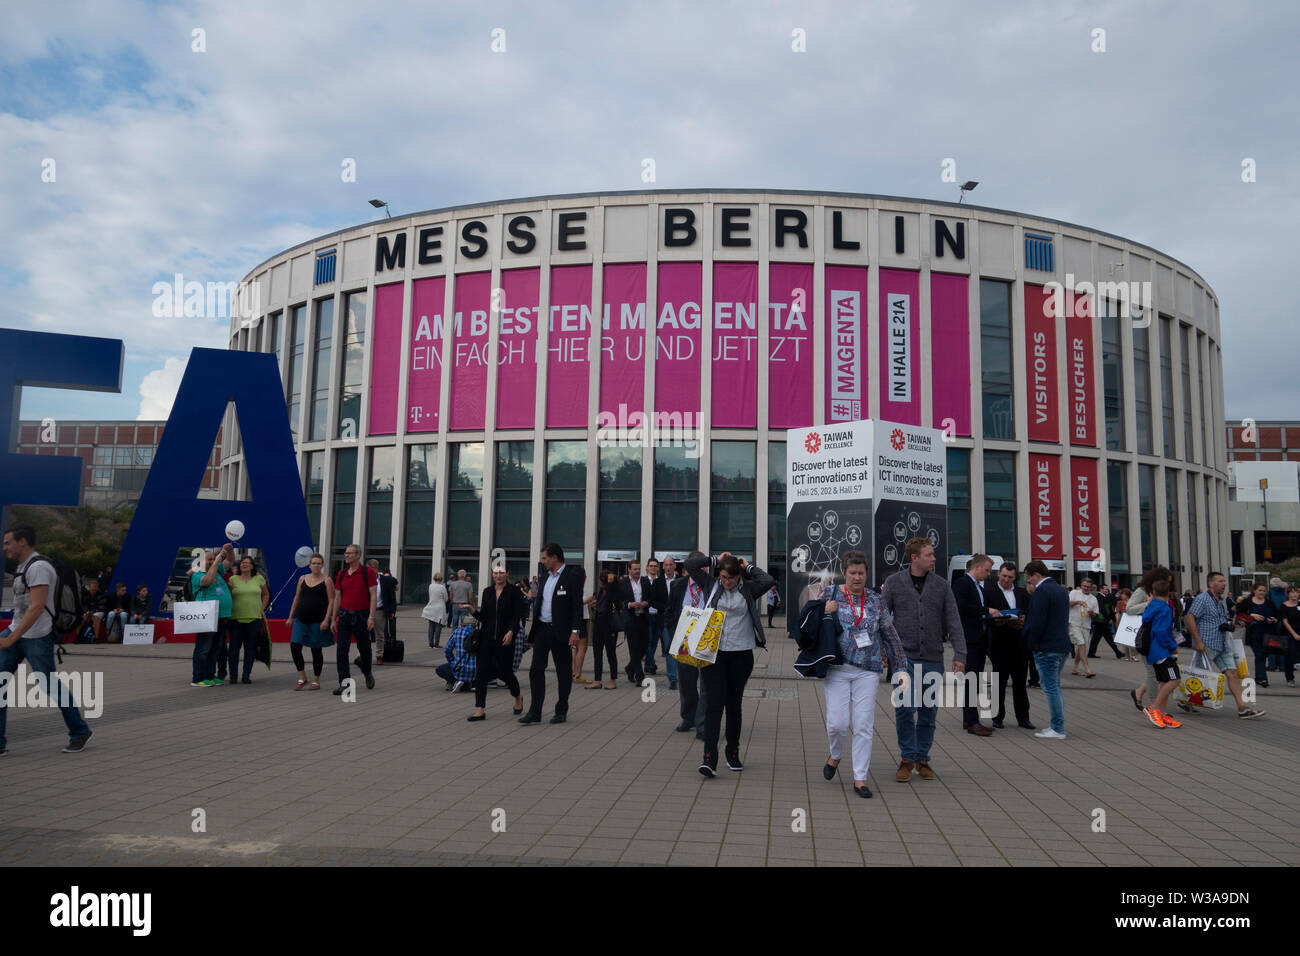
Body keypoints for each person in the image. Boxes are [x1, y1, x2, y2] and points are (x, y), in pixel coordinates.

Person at [809, 550, 908, 798]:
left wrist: (901, 668)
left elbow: (890, 636)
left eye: (861, 573)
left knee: (863, 725)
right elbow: (809, 624)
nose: (856, 577)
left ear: (866, 574)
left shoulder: (875, 600)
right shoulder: (830, 594)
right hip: (837, 669)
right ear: (844, 573)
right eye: (852, 573)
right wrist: (825, 611)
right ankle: (836, 755)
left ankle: (860, 778)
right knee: (837, 724)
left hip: (868, 669)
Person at [0, 524, 93, 754]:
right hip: (18, 630)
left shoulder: (39, 567)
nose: (5, 548)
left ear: (22, 542)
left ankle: (80, 731)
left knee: (49, 684)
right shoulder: (24, 566)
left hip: (37, 636)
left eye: (7, 542)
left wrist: (11, 638)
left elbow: (37, 607)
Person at [881, 538, 965, 782]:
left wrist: (960, 654)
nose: (934, 558)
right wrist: (884, 651)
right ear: (914, 557)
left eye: (933, 554)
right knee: (905, 709)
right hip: (903, 658)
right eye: (928, 554)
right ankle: (907, 758)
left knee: (928, 712)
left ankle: (922, 758)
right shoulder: (894, 583)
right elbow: (883, 620)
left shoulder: (941, 586)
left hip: (932, 658)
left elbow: (954, 621)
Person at [684, 552, 772, 776]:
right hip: (713, 654)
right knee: (714, 705)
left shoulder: (748, 589)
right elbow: (690, 565)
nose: (726, 582)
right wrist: (715, 559)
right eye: (723, 577)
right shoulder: (711, 585)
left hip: (741, 654)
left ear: (738, 577)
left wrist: (748, 566)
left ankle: (732, 752)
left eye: (730, 578)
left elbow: (769, 581)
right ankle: (708, 758)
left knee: (734, 706)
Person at [519, 543, 584, 725]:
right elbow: (540, 603)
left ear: (555, 557)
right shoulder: (545, 576)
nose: (543, 561)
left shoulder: (571, 576)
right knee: (536, 670)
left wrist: (575, 631)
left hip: (562, 632)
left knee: (563, 671)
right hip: (542, 629)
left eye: (545, 558)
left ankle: (561, 709)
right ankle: (535, 711)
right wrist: (533, 634)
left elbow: (577, 606)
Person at [1184, 572, 1264, 719]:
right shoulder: (1203, 599)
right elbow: (1189, 617)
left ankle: (1242, 708)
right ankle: (1186, 700)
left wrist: (1233, 624)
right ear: (1211, 583)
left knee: (1232, 673)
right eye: (1220, 581)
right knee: (1199, 675)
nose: (1224, 584)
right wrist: (1198, 641)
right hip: (1207, 643)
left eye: (1224, 581)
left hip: (1222, 643)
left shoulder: (1220, 600)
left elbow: (1219, 620)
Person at [468, 566, 526, 721]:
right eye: (495, 573)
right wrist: (472, 610)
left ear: (507, 573)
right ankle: (480, 709)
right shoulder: (487, 592)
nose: (498, 575)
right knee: (481, 673)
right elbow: (484, 618)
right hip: (486, 639)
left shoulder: (513, 592)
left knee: (506, 672)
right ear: (492, 574)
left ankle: (518, 697)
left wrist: (511, 631)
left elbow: (518, 615)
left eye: (501, 573)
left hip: (505, 639)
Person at [1022, 561, 1070, 739]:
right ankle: (1057, 726)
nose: (1028, 581)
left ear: (1036, 574)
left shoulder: (1042, 591)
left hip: (1046, 646)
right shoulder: (1060, 590)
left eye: (1028, 577)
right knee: (1055, 687)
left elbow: (1036, 622)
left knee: (1051, 688)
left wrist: (1031, 644)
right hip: (1061, 645)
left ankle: (1057, 728)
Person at [985, 561, 1034, 729]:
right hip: (1000, 642)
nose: (1006, 580)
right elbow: (985, 617)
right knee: (999, 682)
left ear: (1015, 578)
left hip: (1020, 644)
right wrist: (1000, 622)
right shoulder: (989, 592)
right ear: (999, 574)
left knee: (1020, 683)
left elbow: (1029, 613)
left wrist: (1023, 619)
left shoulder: (1022, 593)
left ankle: (1023, 718)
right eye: (1004, 576)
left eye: (1010, 577)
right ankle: (997, 717)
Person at [951, 554, 995, 736]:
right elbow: (960, 607)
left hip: (979, 637)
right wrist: (985, 611)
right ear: (976, 568)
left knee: (974, 679)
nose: (988, 574)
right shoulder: (963, 584)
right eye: (987, 570)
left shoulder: (978, 587)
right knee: (970, 680)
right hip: (969, 639)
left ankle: (970, 719)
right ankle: (972, 721)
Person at [668, 551, 708, 738]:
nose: (701, 570)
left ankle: (703, 723)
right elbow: (670, 612)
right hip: (684, 640)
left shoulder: (713, 586)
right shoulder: (678, 585)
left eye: (703, 567)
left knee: (707, 683)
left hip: (707, 640)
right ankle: (689, 717)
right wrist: (672, 633)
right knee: (686, 682)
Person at [329, 544, 377, 695]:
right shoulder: (341, 574)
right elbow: (338, 597)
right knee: (341, 651)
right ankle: (345, 684)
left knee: (364, 648)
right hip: (344, 616)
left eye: (350, 553)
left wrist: (371, 617)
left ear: (358, 555)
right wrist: (333, 618)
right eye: (346, 553)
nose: (346, 555)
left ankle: (367, 672)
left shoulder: (367, 572)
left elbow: (373, 595)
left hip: (361, 616)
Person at [1140, 576, 1184, 728]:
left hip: (1153, 650)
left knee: (1164, 681)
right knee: (1175, 680)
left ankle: (1163, 715)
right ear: (1170, 592)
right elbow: (1161, 631)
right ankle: (1154, 708)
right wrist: (1172, 645)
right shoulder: (1164, 608)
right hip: (1162, 650)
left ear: (1153, 591)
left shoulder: (1151, 606)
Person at [1127, 567, 1172, 713]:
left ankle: (1139, 693)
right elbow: (1129, 608)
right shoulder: (1142, 590)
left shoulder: (1162, 591)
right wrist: (1149, 603)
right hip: (1147, 635)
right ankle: (1155, 706)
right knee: (1153, 673)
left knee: (1156, 672)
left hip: (1158, 636)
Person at [287, 553, 334, 690]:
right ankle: (302, 677)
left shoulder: (327, 580)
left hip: (318, 620)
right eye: (314, 563)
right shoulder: (302, 578)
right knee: (295, 646)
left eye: (319, 563)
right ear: (309, 565)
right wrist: (290, 617)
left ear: (322, 565)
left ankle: (316, 680)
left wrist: (327, 619)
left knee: (315, 649)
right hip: (301, 619)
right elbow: (297, 597)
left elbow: (331, 601)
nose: (316, 565)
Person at [189, 549, 233, 686]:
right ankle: (198, 678)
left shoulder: (217, 571)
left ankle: (210, 675)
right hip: (206, 617)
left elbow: (230, 560)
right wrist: (217, 561)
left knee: (215, 648)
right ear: (200, 561)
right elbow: (207, 581)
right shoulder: (197, 574)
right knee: (203, 648)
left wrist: (229, 549)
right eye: (209, 559)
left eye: (212, 559)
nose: (212, 561)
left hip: (220, 617)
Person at [227, 555, 269, 684]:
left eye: (247, 563)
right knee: (234, 649)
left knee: (250, 649)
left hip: (254, 618)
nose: (244, 564)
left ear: (252, 566)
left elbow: (266, 594)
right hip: (235, 619)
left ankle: (246, 675)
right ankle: (233, 676)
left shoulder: (259, 579)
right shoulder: (232, 579)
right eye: (242, 563)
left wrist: (262, 608)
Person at [619, 560, 657, 686]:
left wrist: (646, 603)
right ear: (629, 570)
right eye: (634, 569)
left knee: (644, 646)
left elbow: (652, 597)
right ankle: (640, 676)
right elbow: (619, 601)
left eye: (638, 569)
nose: (637, 571)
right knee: (633, 648)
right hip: (631, 619)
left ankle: (630, 668)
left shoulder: (645, 581)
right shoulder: (623, 583)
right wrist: (629, 604)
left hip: (643, 617)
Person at [585, 571, 621, 690]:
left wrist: (610, 583)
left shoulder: (614, 591)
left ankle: (613, 680)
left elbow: (612, 600)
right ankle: (597, 680)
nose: (600, 584)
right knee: (597, 652)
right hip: (599, 623)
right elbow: (602, 603)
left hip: (609, 625)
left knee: (610, 652)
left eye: (602, 582)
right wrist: (596, 604)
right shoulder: (601, 591)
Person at [1242, 582, 1278, 687]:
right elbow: (1240, 616)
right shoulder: (1248, 602)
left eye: (1264, 591)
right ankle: (1263, 679)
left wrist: (1274, 619)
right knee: (1259, 655)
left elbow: (1277, 615)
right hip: (1254, 633)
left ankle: (1258, 678)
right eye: (1260, 590)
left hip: (1268, 633)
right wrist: (1252, 616)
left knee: (1263, 655)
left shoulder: (1269, 603)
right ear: (1254, 591)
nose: (1262, 592)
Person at [1067, 579, 1098, 677]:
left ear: (1091, 587)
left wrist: (1092, 613)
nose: (1086, 588)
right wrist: (1077, 602)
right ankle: (1087, 669)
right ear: (1081, 585)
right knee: (1081, 644)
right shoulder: (1074, 593)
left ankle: (1075, 667)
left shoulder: (1093, 599)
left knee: (1083, 648)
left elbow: (1096, 614)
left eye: (1088, 587)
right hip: (1073, 623)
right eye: (1084, 586)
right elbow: (1067, 603)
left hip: (1086, 625)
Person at [658, 557, 679, 690]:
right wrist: (665, 608)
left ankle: (683, 675)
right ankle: (673, 678)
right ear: (663, 567)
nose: (669, 567)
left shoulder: (681, 581)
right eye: (666, 565)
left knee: (682, 651)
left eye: (671, 564)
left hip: (681, 621)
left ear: (675, 566)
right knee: (670, 650)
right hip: (666, 622)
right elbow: (653, 600)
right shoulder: (658, 582)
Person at [436, 623, 477, 692]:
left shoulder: (457, 632)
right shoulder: (480, 634)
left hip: (459, 668)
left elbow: (447, 650)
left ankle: (455, 682)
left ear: (462, 625)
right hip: (475, 671)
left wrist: (452, 661)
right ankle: (470, 684)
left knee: (439, 669)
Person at [1088, 583, 1123, 660]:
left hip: (1101, 621)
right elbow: (1103, 610)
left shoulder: (1103, 597)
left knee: (1096, 638)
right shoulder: (1100, 597)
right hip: (1102, 621)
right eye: (1105, 589)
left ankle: (1091, 653)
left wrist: (1111, 617)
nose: (1107, 590)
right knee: (1108, 638)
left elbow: (1108, 608)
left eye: (1107, 589)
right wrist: (1109, 618)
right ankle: (1118, 652)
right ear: (1101, 589)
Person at [643, 558, 663, 676]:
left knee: (655, 642)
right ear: (647, 567)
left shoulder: (660, 582)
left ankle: (648, 665)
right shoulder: (643, 581)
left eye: (655, 566)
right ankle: (650, 664)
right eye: (651, 566)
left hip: (658, 615)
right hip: (647, 615)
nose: (653, 568)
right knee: (649, 642)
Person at [1278, 586, 1300, 688]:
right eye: (1292, 592)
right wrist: (1294, 633)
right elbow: (1285, 621)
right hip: (1289, 633)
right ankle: (1290, 678)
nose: (1295, 595)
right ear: (1288, 594)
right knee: (1290, 655)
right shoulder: (1284, 606)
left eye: (1297, 592)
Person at [422, 573, 449, 648]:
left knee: (431, 626)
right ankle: (436, 643)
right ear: (441, 579)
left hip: (431, 607)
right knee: (438, 627)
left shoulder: (430, 586)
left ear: (434, 578)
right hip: (440, 608)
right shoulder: (442, 587)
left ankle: (430, 643)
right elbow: (446, 598)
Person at [1115, 587, 1140, 662]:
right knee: (1124, 639)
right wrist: (1117, 621)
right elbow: (1117, 612)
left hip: (1131, 620)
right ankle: (1127, 655)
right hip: (1122, 620)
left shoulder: (1132, 602)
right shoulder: (1120, 602)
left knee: (1132, 639)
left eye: (1124, 594)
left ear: (1127, 595)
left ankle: (1134, 655)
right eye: (1121, 594)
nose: (1122, 595)